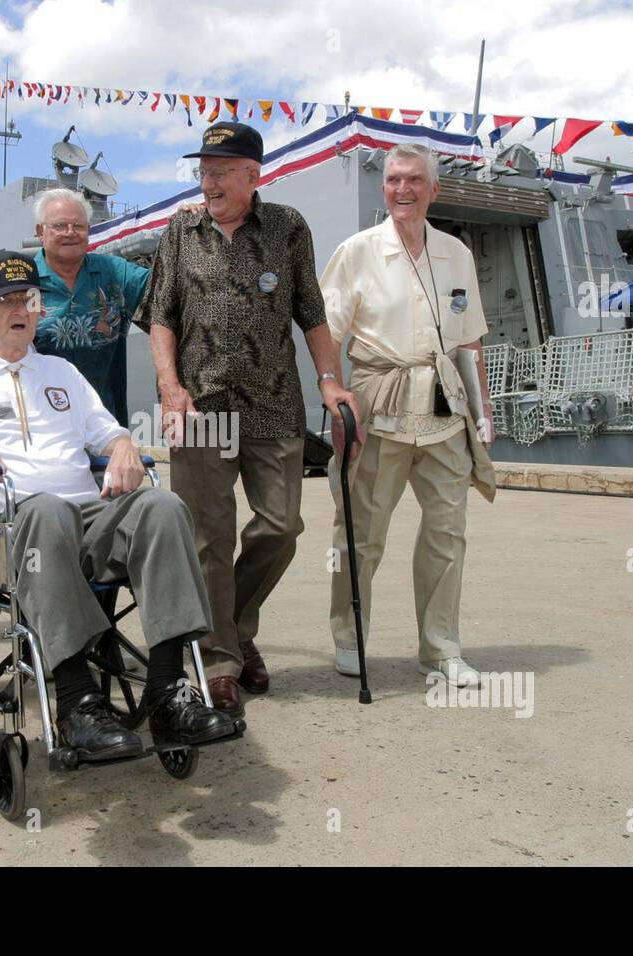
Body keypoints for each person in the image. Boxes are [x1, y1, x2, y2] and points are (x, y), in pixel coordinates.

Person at [0, 250, 235, 757]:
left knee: (163, 507)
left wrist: (123, 445)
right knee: (46, 509)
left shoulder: (62, 372)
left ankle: (168, 693)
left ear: (40, 309)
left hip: (85, 520)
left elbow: (108, 434)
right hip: (3, 531)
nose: (19, 308)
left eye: (28, 298)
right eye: (4, 300)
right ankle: (78, 701)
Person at [137, 121, 359, 717]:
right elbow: (162, 314)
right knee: (209, 539)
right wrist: (170, 386)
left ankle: (234, 627)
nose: (206, 182)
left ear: (252, 176)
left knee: (281, 527)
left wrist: (330, 380)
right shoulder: (180, 230)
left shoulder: (288, 228)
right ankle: (220, 661)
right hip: (201, 405)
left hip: (275, 403)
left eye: (218, 171)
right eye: (202, 171)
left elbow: (311, 312)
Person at [319, 143, 497, 688]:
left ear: (433, 189)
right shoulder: (358, 251)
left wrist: (483, 411)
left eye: (414, 180)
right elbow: (327, 331)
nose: (403, 189)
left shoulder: (456, 254)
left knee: (448, 533)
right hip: (381, 402)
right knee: (361, 533)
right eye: (394, 180)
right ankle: (350, 638)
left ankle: (442, 649)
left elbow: (470, 341)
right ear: (384, 188)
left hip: (445, 407)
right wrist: (335, 395)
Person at [31, 187, 149, 426]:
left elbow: (169, 287)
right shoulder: (21, 281)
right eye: (60, 226)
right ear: (40, 232)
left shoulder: (115, 273)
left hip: (104, 428)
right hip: (40, 430)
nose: (70, 233)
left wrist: (189, 231)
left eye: (79, 226)